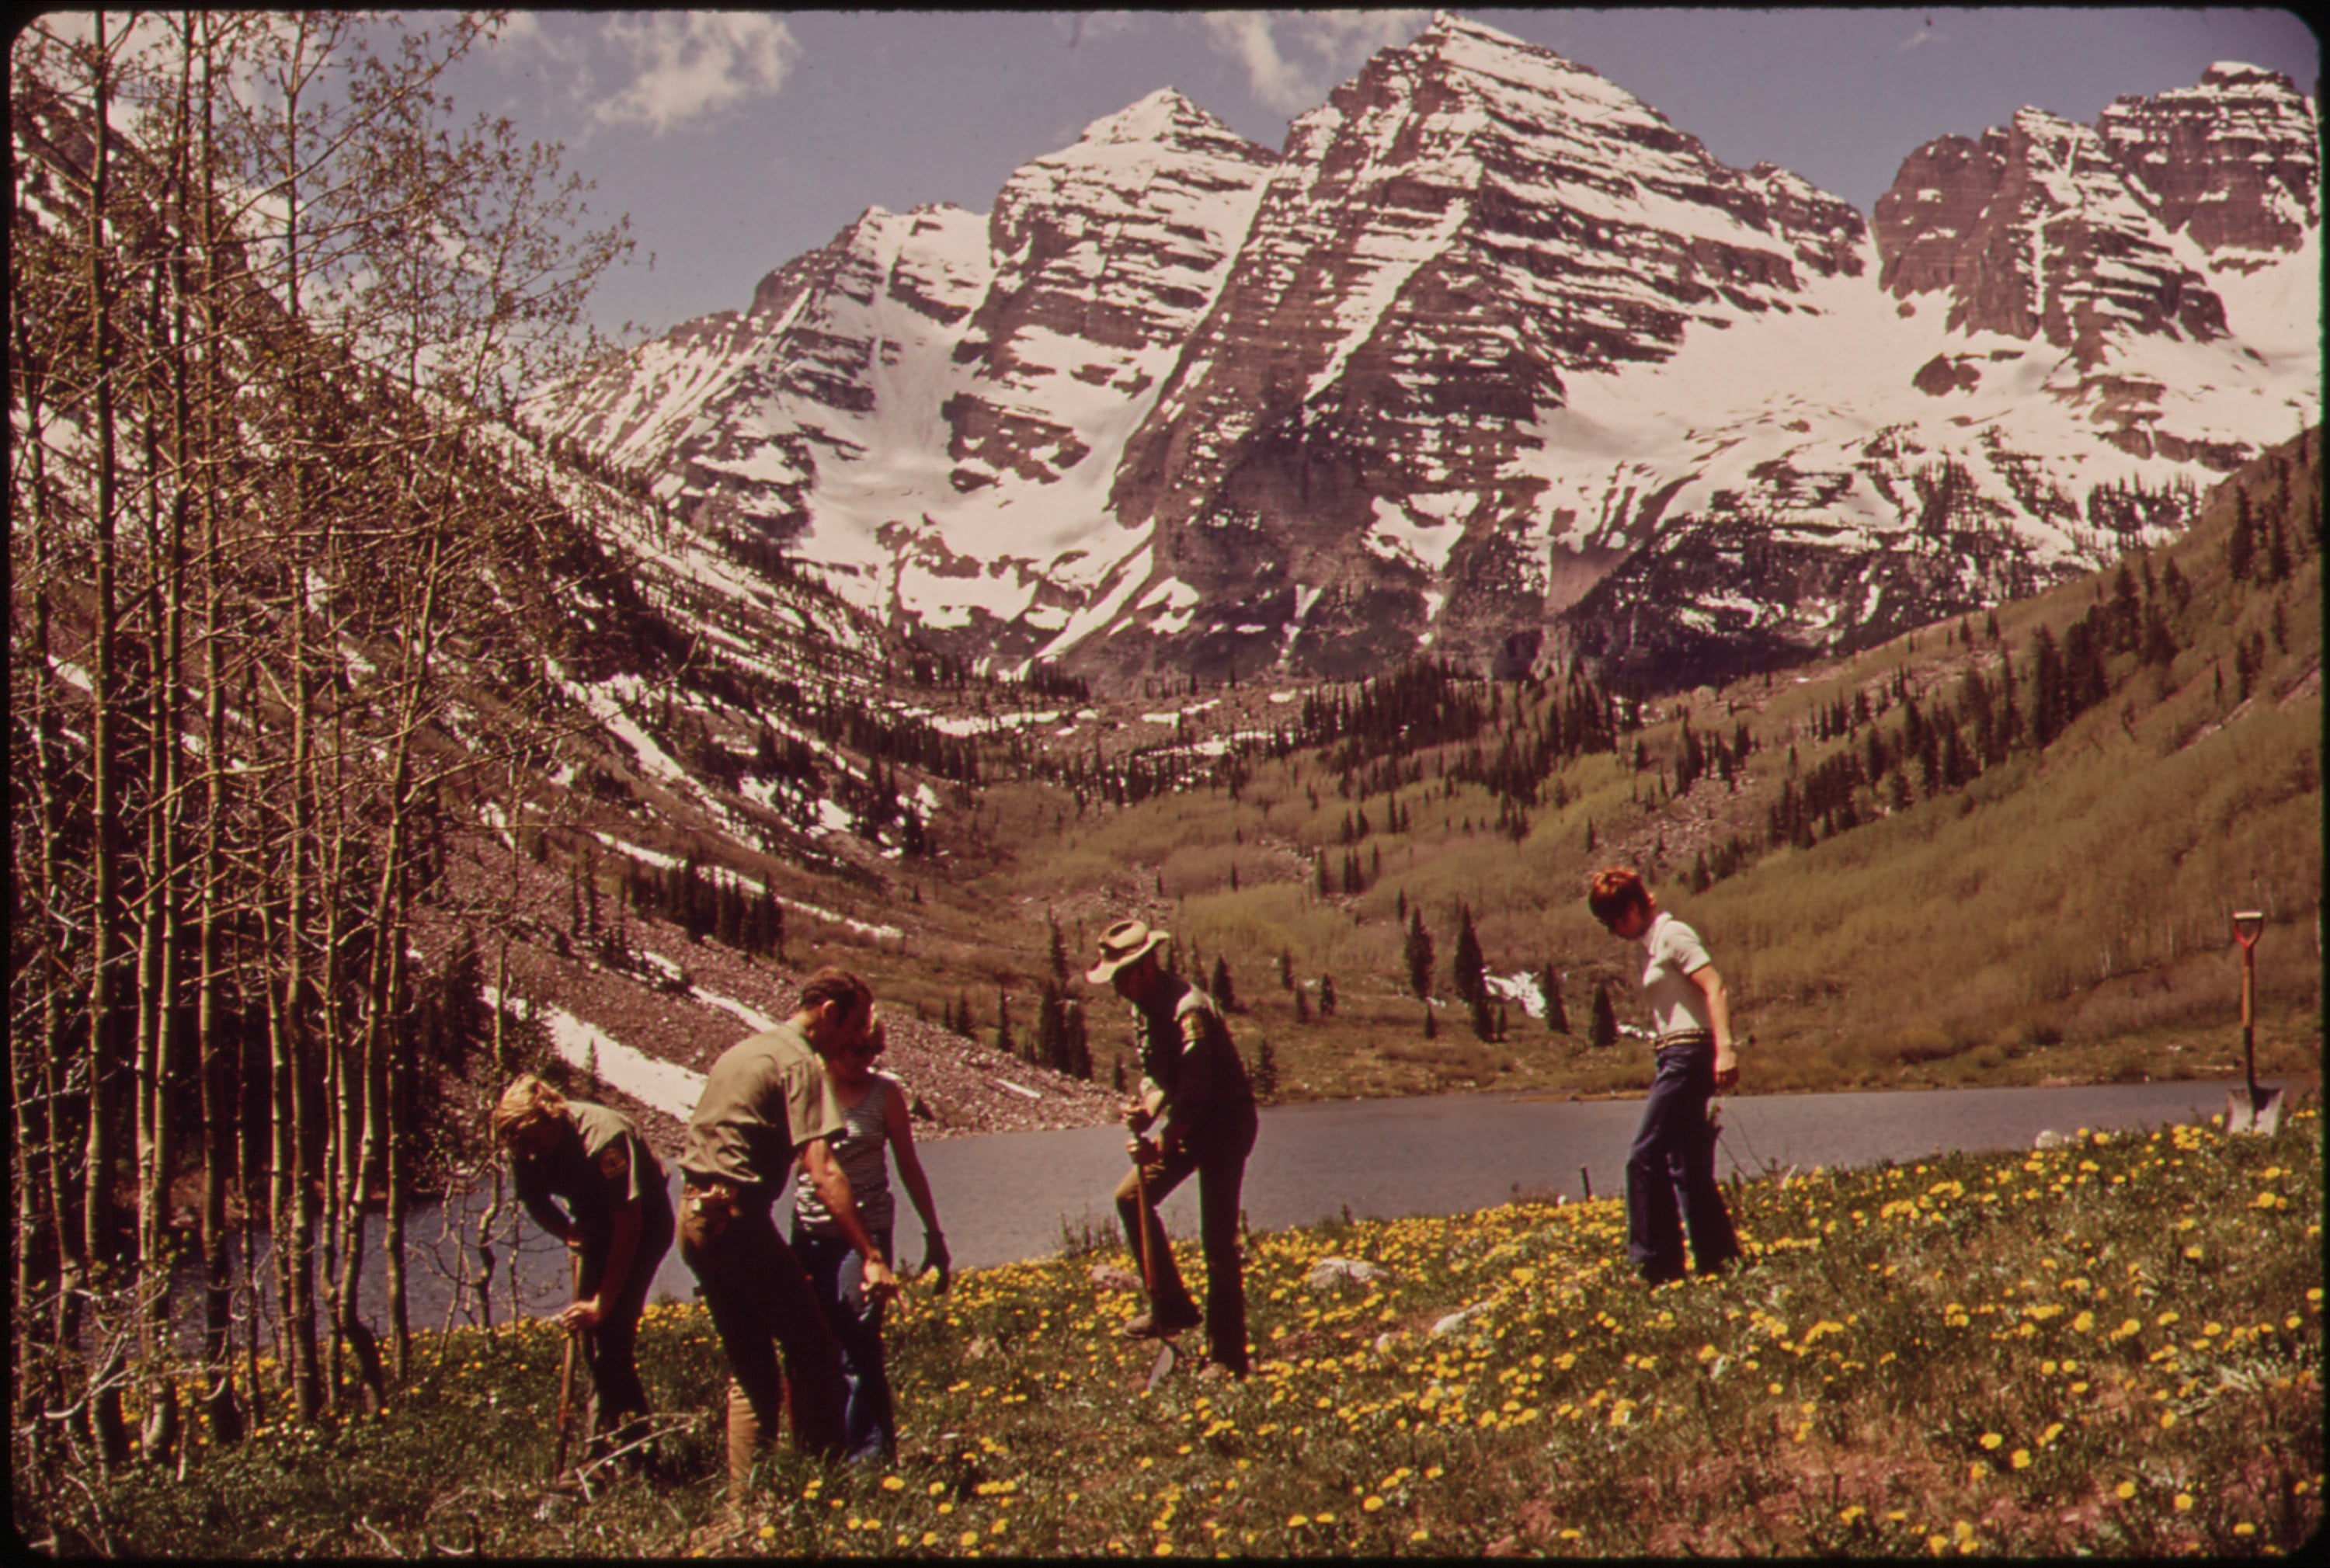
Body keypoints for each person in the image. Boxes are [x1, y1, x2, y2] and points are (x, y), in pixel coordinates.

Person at [678, 966, 899, 1509]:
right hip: (737, 1221)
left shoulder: (746, 1051)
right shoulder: (799, 1061)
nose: (852, 1041)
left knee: (752, 1369)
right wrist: (870, 1252)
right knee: (817, 1348)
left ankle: (746, 1508)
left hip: (694, 1219)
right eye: (850, 1027)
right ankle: (822, 1495)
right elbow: (822, 1169)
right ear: (828, 1014)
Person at [1088, 918, 1258, 1380]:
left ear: (1145, 967)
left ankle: (1228, 1356)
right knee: (1131, 1197)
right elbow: (1161, 1078)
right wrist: (1145, 1109)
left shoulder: (1190, 1010)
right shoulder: (1142, 1006)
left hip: (1224, 1125)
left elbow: (1196, 1090)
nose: (1118, 986)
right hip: (1191, 1121)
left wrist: (1162, 1139)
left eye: (1122, 975)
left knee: (1217, 1242)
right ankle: (1171, 1305)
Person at [492, 1075, 676, 1468]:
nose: (531, 1153)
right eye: (522, 1146)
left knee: (612, 1331)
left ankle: (610, 1453)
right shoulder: (522, 1146)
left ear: (551, 1115)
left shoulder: (603, 1136)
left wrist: (601, 1303)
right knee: (595, 1341)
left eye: (537, 1141)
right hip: (593, 1224)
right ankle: (631, 1446)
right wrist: (568, 1232)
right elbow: (534, 1200)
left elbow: (629, 1227)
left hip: (643, 1224)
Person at [791, 1010, 949, 1462]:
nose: (867, 1059)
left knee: (859, 1343)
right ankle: (820, 1451)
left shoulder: (885, 1095)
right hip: (811, 1230)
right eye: (857, 1049)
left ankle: (871, 1461)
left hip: (867, 1235)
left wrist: (933, 1232)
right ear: (833, 1044)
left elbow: (908, 1166)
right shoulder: (810, 1091)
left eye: (875, 1050)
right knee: (813, 1342)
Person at [1587, 866, 1744, 1286]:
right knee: (1688, 1165)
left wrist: (1725, 1048)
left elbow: (1715, 987)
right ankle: (1721, 1262)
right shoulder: (1651, 944)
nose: (1614, 930)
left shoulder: (1674, 935)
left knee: (1643, 1156)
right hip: (1674, 1053)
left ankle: (1655, 1264)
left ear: (1634, 908)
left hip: (1688, 1054)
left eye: (1615, 920)